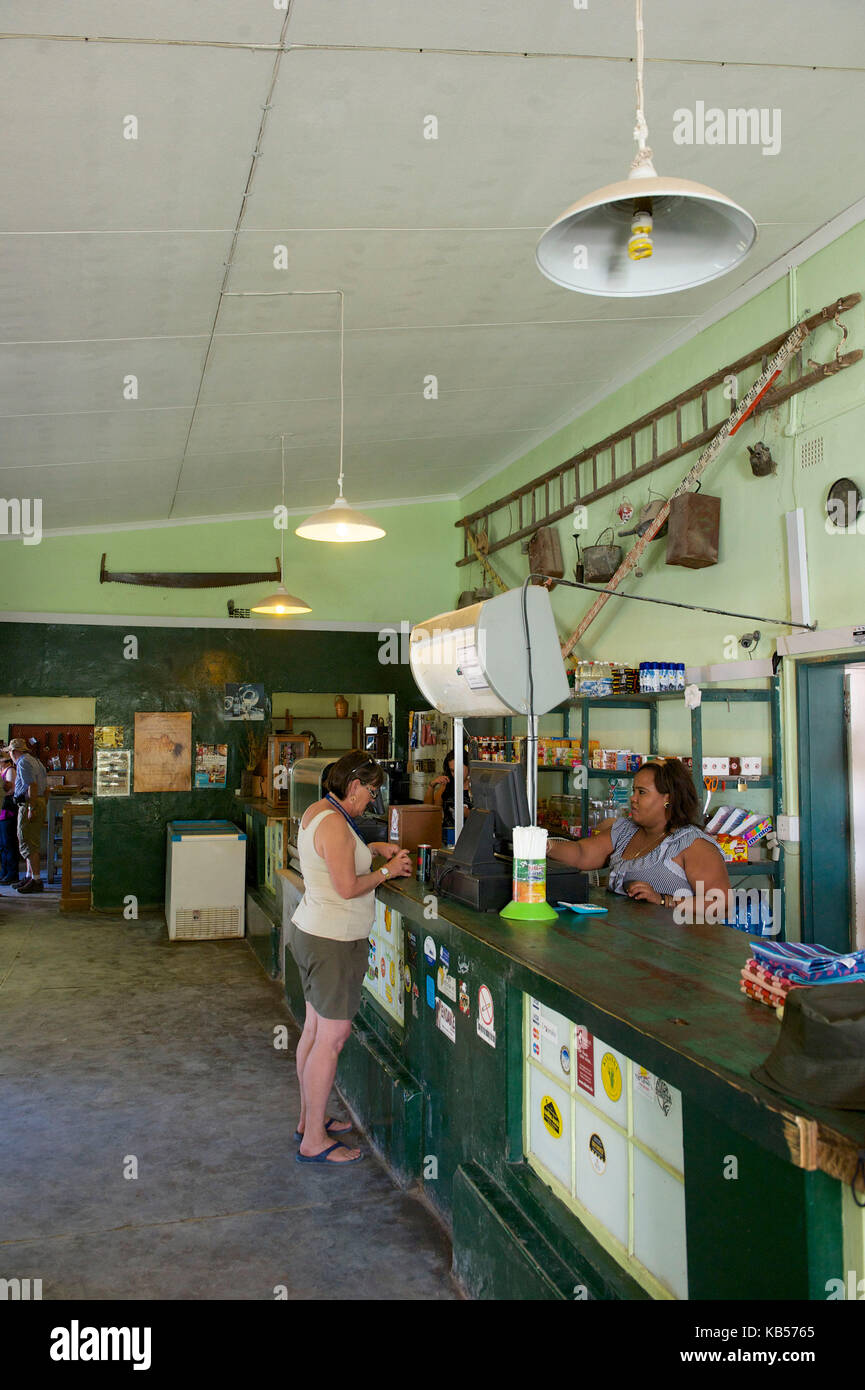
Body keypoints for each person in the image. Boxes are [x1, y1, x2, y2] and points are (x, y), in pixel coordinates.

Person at [288, 752, 412, 1165]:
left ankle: (311, 1121)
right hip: (334, 941)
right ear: (355, 785)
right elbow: (346, 886)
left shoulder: (318, 811)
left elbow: (335, 855)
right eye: (371, 792)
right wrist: (387, 872)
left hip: (311, 931)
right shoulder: (337, 824)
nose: (371, 801)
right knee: (333, 1038)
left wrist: (372, 847)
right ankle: (314, 1143)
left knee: (314, 1031)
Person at [547, 758, 730, 916]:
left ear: (669, 799)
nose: (633, 798)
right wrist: (545, 845)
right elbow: (582, 853)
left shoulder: (693, 845)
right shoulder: (626, 830)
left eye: (641, 792)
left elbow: (722, 903)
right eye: (633, 791)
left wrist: (664, 900)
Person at [5, 739, 48, 893]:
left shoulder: (23, 763)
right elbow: (46, 787)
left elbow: (32, 786)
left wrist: (31, 807)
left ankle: (36, 880)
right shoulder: (36, 761)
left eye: (9, 752)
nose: (9, 755)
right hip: (38, 802)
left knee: (27, 842)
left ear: (15, 751)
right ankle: (30, 876)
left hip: (29, 803)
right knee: (31, 841)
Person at [425, 747, 472, 833]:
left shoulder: (477, 787)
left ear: (468, 767)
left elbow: (488, 818)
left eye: (459, 769)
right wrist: (432, 786)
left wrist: (469, 814)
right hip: (448, 838)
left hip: (470, 837)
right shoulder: (447, 785)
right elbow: (431, 812)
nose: (456, 774)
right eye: (453, 771)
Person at [0, 752, 19, 886]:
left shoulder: (10, 770)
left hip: (8, 811)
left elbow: (11, 790)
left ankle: (12, 873)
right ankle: (5, 872)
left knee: (9, 843)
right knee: (3, 845)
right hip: (2, 811)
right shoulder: (4, 771)